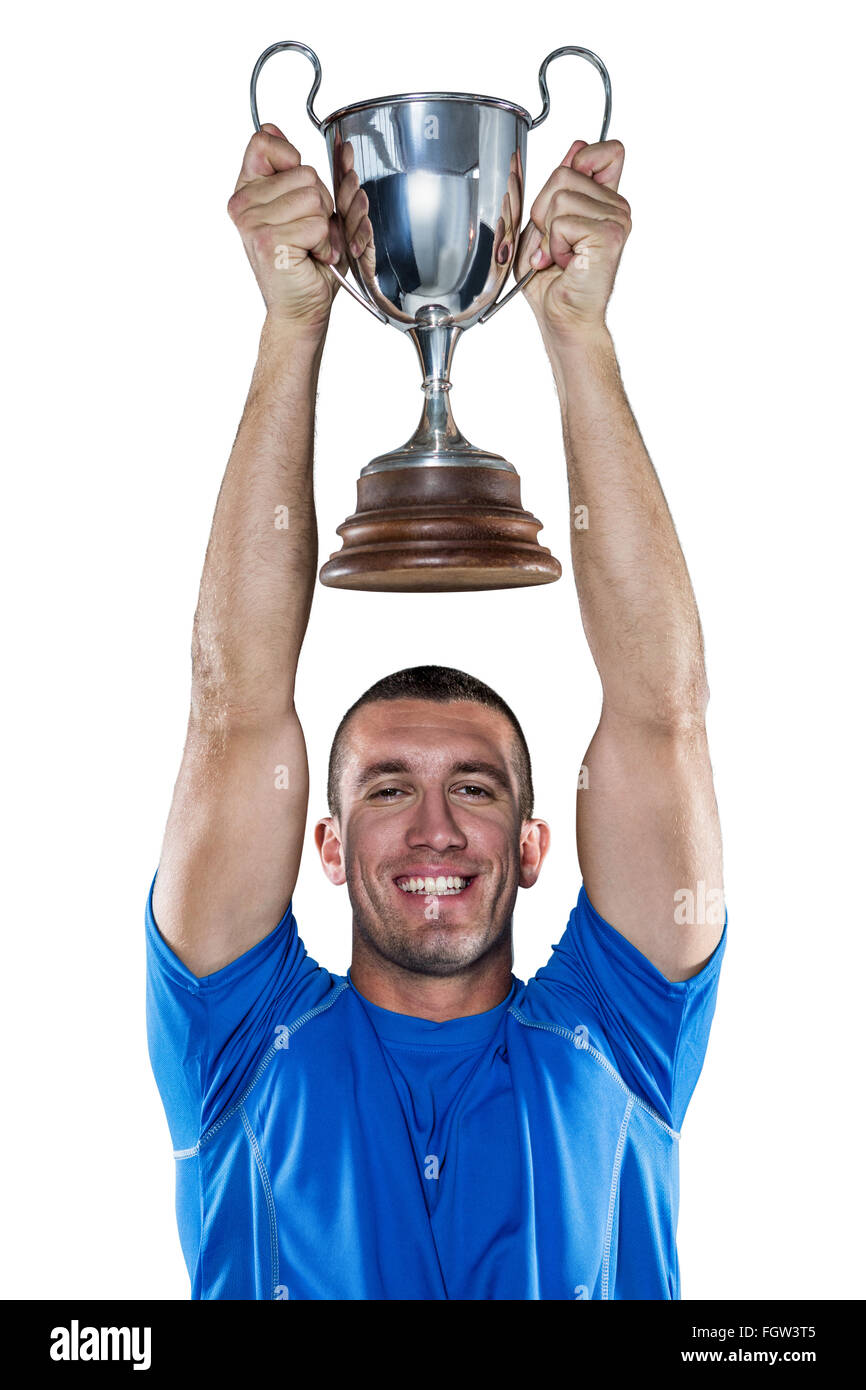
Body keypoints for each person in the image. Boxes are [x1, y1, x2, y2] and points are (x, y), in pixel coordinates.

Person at [146, 124, 726, 1300]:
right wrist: (290, 327)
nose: (432, 827)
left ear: (529, 843)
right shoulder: (234, 1044)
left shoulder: (619, 1039)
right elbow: (234, 710)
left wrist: (578, 339)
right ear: (322, 842)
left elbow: (660, 715)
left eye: (474, 788)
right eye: (384, 789)